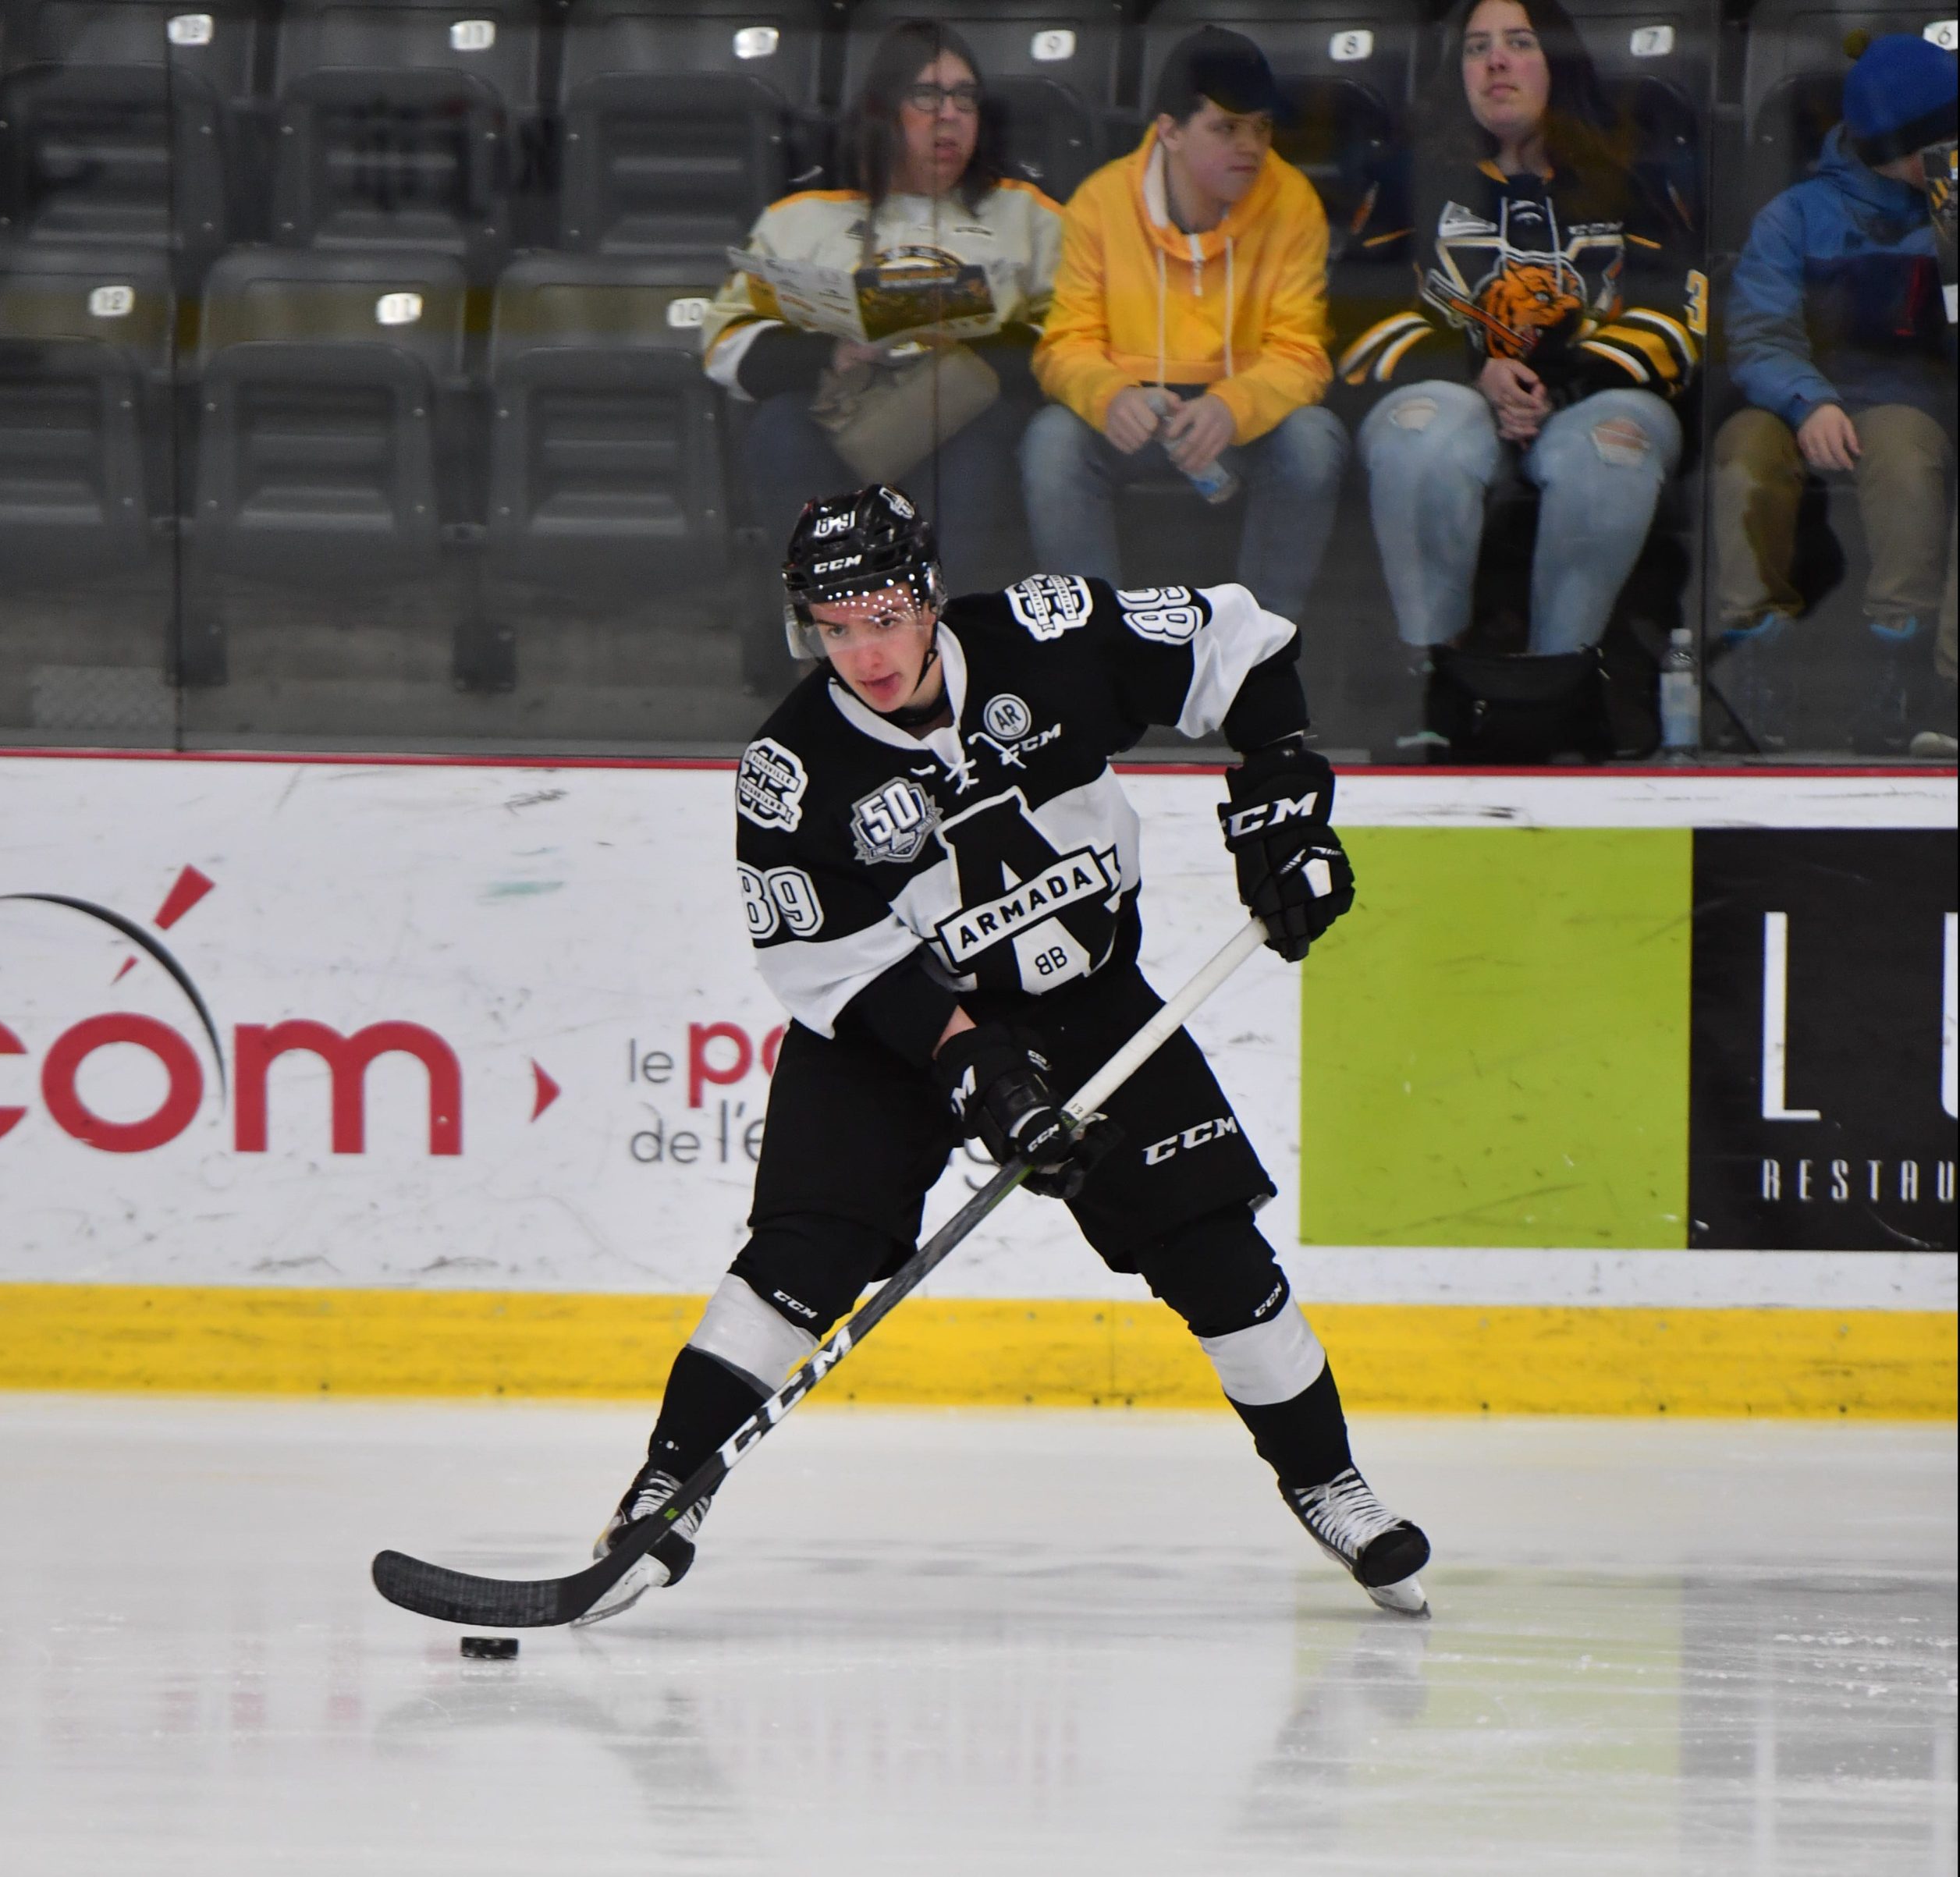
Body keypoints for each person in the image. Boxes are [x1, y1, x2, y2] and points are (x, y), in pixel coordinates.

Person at [583, 483, 1429, 1625]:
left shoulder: (1048, 635)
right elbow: (828, 960)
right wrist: (971, 1061)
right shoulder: (792, 769)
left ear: (928, 598)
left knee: (1216, 1255)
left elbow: (1243, 645)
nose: (864, 654)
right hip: (898, 1032)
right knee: (803, 1255)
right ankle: (664, 1493)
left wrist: (1282, 804)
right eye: (835, 629)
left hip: (1086, 1004)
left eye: (884, 619)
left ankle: (1330, 1484)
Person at [1337, 0, 1699, 723]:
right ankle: (1431, 679)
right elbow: (1353, 316)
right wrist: (1475, 367)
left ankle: (1559, 683)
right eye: (1477, 48)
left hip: (1596, 397)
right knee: (1419, 442)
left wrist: (1561, 381)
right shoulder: (1411, 178)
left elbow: (1681, 315)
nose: (1496, 61)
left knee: (1611, 455)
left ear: (1557, 63)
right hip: (1455, 391)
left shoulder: (1626, 174)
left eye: (1519, 43)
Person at [702, 20, 1060, 647]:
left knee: (971, 448)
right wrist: (830, 353)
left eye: (965, 97)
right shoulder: (801, 216)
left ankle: (933, 655)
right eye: (927, 96)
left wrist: (968, 353)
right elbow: (725, 344)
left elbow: (1071, 337)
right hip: (847, 410)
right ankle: (830, 649)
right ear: (882, 110)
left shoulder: (1029, 215)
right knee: (780, 432)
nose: (949, 116)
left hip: (966, 416)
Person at [1019, 27, 1348, 622]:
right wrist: (1110, 394)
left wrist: (1232, 406)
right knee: (1052, 442)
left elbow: (1302, 354)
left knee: (1312, 439)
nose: (1251, 147)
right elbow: (1064, 344)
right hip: (1134, 415)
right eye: (1227, 128)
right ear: (1170, 131)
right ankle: (1094, 644)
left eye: (1261, 128)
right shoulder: (1101, 202)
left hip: (1243, 419)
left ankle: (1260, 646)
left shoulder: (1293, 202)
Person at [1713, 32, 1957, 755]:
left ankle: (1900, 662)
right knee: (1742, 460)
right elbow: (1759, 334)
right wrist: (1809, 401)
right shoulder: (1796, 215)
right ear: (1894, 148)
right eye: (1938, 143)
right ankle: (1754, 657)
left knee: (1904, 459)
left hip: (1908, 404)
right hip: (1794, 399)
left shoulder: (1948, 217)